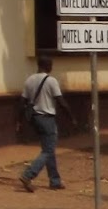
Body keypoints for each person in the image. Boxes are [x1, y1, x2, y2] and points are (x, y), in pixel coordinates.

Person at [19, 55, 76, 193]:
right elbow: (61, 101)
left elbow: (22, 102)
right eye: (51, 64)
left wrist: (19, 121)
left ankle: (54, 181)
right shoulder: (51, 81)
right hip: (47, 118)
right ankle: (28, 175)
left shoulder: (29, 80)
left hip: (35, 118)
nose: (52, 67)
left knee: (48, 148)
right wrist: (71, 117)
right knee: (48, 150)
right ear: (47, 65)